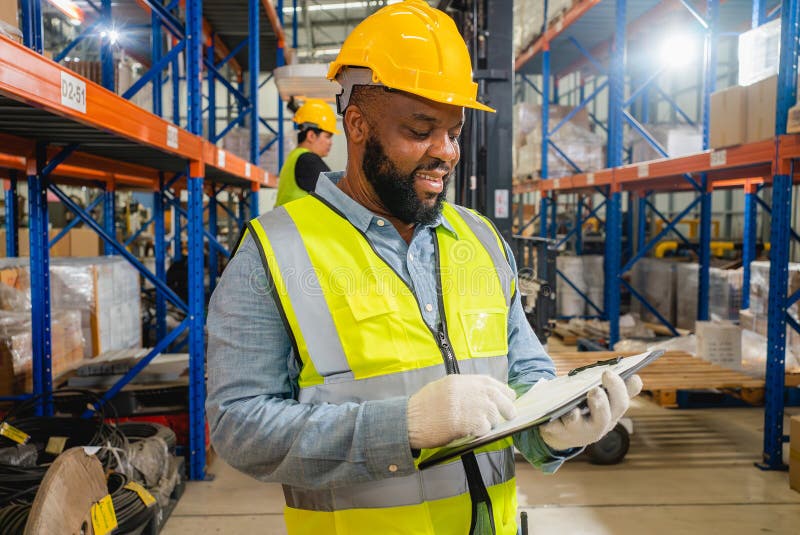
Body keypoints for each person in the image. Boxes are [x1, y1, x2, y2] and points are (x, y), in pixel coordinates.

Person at [206, 2, 642, 534]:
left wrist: (554, 427)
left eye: (454, 133)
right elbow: (239, 428)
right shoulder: (272, 254)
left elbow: (526, 372)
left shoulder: (480, 238)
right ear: (358, 123)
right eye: (420, 130)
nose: (446, 152)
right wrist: (400, 427)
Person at [275, 98, 340, 206]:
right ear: (311, 136)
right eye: (328, 137)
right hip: (296, 222)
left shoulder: (295, 156)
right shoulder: (308, 161)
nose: (330, 143)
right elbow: (339, 197)